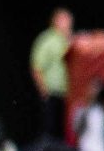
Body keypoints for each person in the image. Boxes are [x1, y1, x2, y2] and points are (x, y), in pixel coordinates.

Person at [29, 8, 73, 143]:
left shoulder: (70, 41)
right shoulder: (47, 40)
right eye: (64, 20)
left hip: (66, 93)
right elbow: (36, 66)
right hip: (51, 92)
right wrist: (43, 90)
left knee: (64, 129)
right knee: (49, 127)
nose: (68, 23)